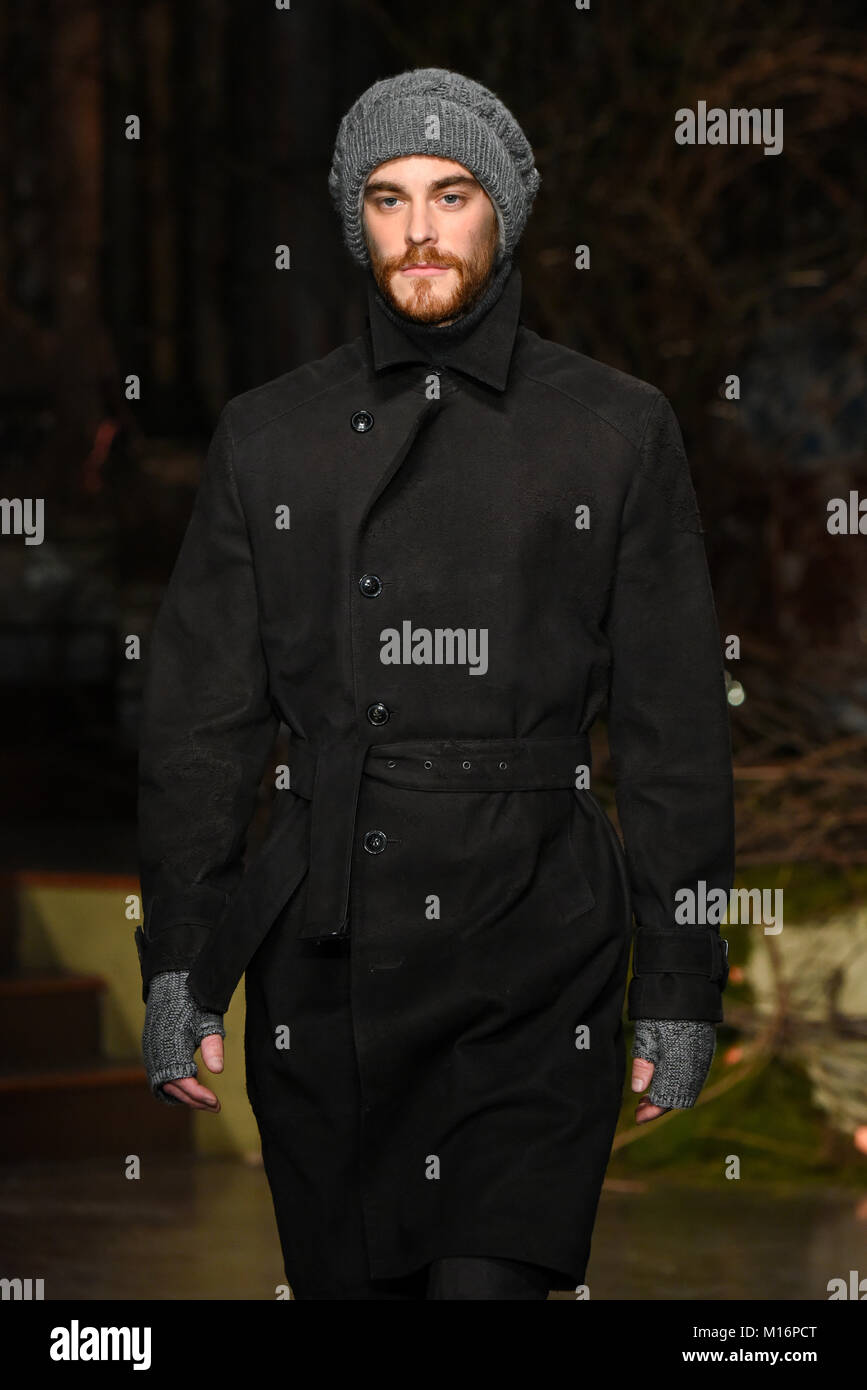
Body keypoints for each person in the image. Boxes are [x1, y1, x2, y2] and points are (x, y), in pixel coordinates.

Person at [138, 68, 733, 1300]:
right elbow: (203, 724)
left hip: (535, 952)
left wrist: (680, 981)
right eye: (386, 196)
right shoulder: (269, 435)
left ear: (502, 211)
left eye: (450, 193)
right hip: (329, 951)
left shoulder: (615, 431)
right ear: (353, 222)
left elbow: (675, 732)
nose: (417, 229)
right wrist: (181, 963)